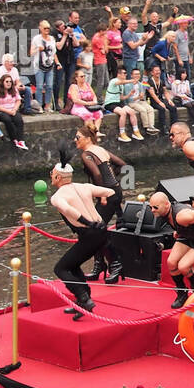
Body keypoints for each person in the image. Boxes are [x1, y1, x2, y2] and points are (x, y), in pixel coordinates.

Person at [48, 155, 114, 319]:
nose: (50, 176)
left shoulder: (57, 197)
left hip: (90, 233)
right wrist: (102, 202)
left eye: (52, 174)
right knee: (73, 264)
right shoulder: (84, 186)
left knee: (60, 268)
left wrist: (88, 223)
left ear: (57, 177)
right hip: (101, 230)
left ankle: (84, 298)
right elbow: (110, 191)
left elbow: (69, 210)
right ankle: (83, 298)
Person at [147, 191, 194, 309]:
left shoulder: (181, 216)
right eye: (150, 207)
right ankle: (182, 293)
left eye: (155, 207)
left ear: (167, 205)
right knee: (171, 262)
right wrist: (178, 231)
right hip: (186, 234)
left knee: (183, 266)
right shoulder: (167, 213)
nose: (152, 210)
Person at [75, 119, 128, 284]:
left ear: (87, 138)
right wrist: (114, 181)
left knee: (94, 231)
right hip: (115, 191)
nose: (75, 140)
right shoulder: (100, 149)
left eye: (78, 137)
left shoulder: (87, 154)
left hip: (107, 194)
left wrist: (102, 194)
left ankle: (116, 263)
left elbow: (97, 175)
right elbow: (122, 164)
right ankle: (100, 265)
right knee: (94, 229)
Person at [103, 69, 143, 142]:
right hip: (110, 103)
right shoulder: (114, 81)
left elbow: (121, 97)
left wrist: (129, 95)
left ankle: (136, 130)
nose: (125, 75)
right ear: (119, 74)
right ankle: (122, 133)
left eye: (126, 73)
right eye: (124, 73)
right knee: (123, 113)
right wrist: (132, 80)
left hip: (118, 102)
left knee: (131, 111)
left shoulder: (121, 85)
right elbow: (120, 82)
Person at [0, 74, 29, 150]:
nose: (9, 83)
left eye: (10, 82)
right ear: (2, 82)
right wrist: (7, 111)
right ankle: (14, 139)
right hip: (2, 110)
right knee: (7, 120)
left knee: (19, 120)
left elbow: (18, 101)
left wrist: (14, 109)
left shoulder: (14, 89)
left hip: (12, 109)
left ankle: (21, 140)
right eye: (7, 81)